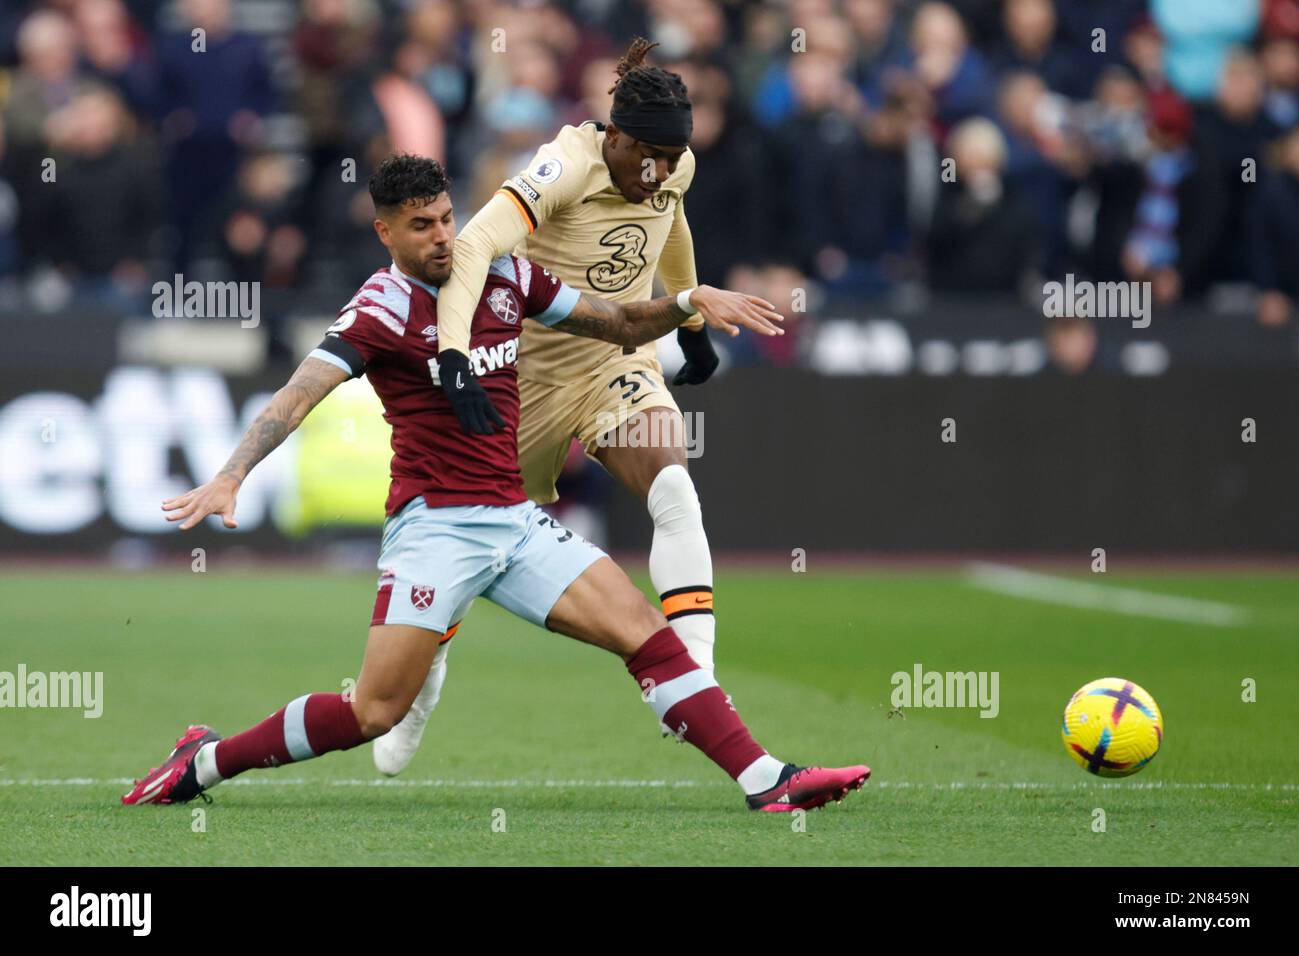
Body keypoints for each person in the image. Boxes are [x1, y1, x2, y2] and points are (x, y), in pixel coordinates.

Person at [120, 154, 870, 814]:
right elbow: (294, 396)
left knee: (648, 635)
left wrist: (684, 303)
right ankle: (206, 760)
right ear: (386, 233)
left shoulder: (506, 272)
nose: (443, 236)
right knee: (374, 710)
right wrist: (229, 474)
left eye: (447, 218)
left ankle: (766, 778)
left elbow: (613, 324)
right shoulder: (379, 309)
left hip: (514, 519)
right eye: (421, 226)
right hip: (435, 529)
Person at [376, 38, 784, 774]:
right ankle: (419, 689)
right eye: (645, 156)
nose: (657, 172)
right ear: (614, 136)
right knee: (475, 550)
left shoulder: (673, 162)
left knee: (674, 488)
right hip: (520, 375)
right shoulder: (562, 166)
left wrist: (687, 322)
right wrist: (455, 352)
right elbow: (472, 247)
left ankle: (694, 682)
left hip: (611, 355)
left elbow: (672, 221)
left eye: (670, 157)